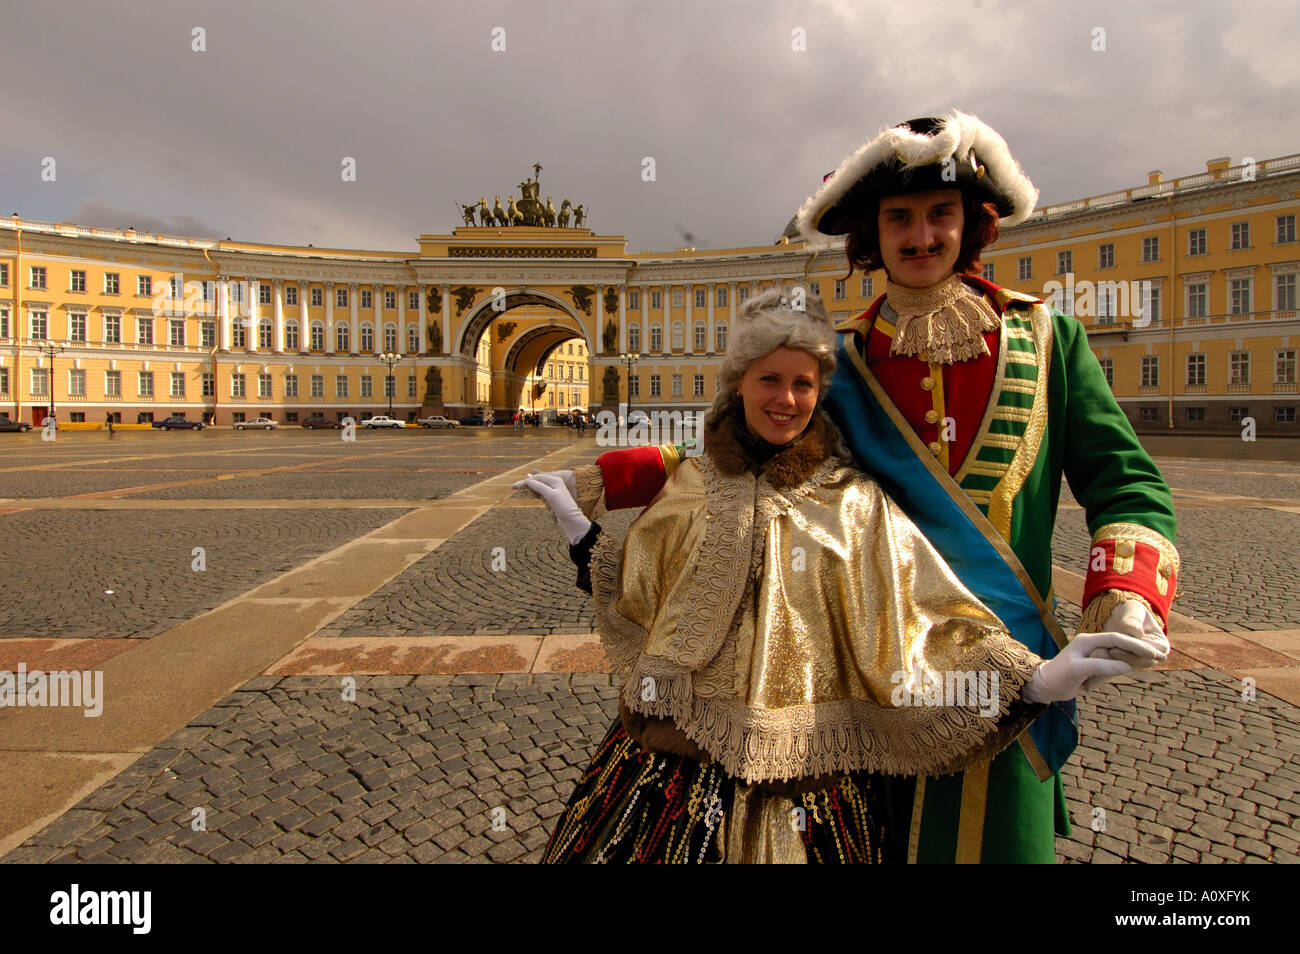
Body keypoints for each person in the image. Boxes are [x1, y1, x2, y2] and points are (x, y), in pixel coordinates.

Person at [526, 112, 1180, 863]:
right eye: (899, 218)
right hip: (867, 682)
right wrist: (601, 481)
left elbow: (1125, 481)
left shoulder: (1051, 341)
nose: (922, 236)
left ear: (973, 224)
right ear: (870, 235)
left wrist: (1128, 595)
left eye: (941, 214)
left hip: (1009, 677)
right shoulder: (838, 361)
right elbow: (731, 453)